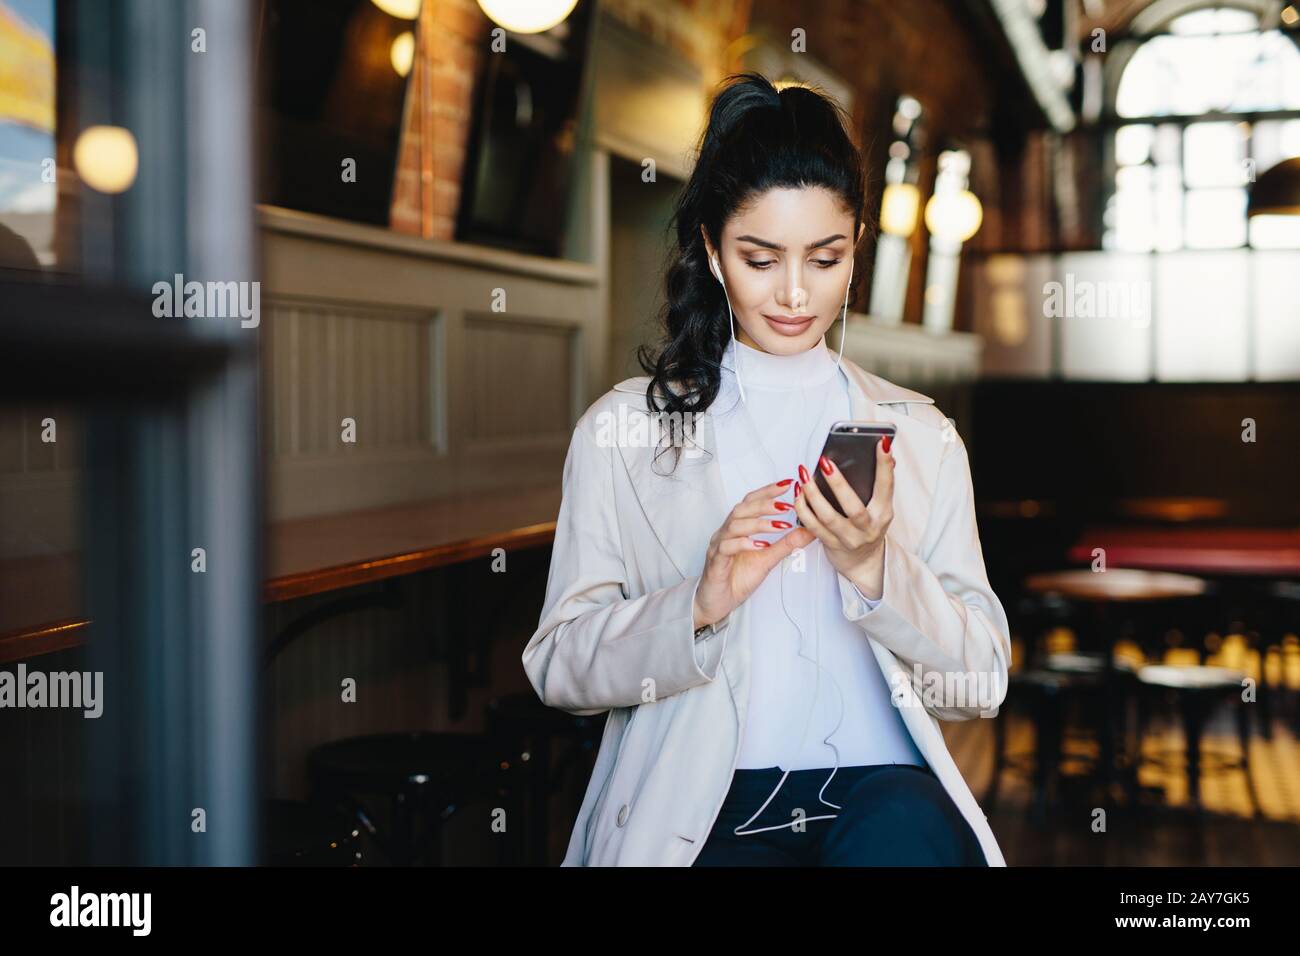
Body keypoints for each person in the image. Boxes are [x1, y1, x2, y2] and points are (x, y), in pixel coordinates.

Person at [522, 72, 1012, 867]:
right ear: (714, 252)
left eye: (825, 259)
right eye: (760, 258)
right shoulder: (623, 430)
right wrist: (701, 603)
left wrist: (872, 567)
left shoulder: (922, 437)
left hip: (882, 795)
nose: (793, 293)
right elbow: (560, 666)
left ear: (856, 252)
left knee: (905, 831)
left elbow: (980, 683)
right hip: (704, 800)